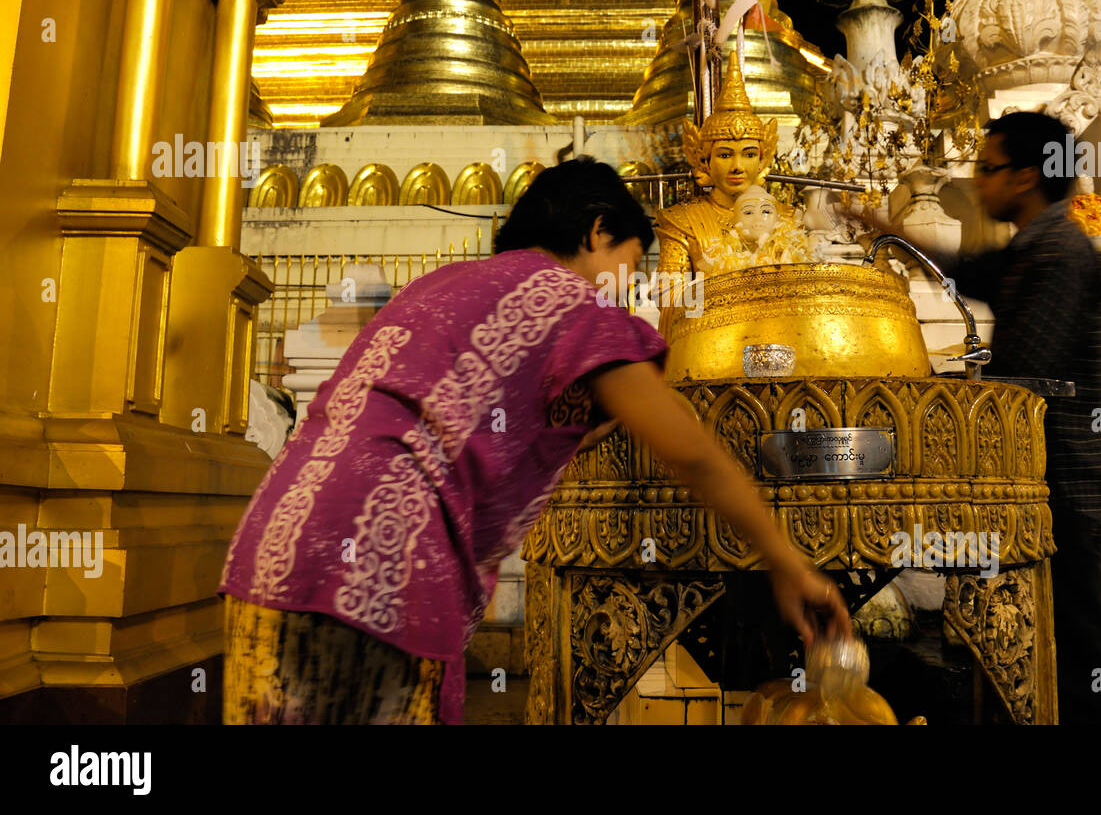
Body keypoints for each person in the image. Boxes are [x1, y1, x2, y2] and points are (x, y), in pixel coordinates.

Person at [219, 156, 850, 724]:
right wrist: (785, 561)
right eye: (628, 267)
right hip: (388, 561)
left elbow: (500, 415)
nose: (626, 291)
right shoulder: (576, 307)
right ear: (597, 231)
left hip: (275, 546)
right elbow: (687, 447)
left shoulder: (439, 289)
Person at [861, 112, 1101, 724]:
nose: (976, 181)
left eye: (986, 168)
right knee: (1053, 646)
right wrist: (885, 229)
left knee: (1082, 652)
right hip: (1044, 481)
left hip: (1064, 479)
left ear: (1024, 177)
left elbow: (1027, 377)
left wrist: (938, 405)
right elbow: (970, 271)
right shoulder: (1032, 246)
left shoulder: (1060, 253)